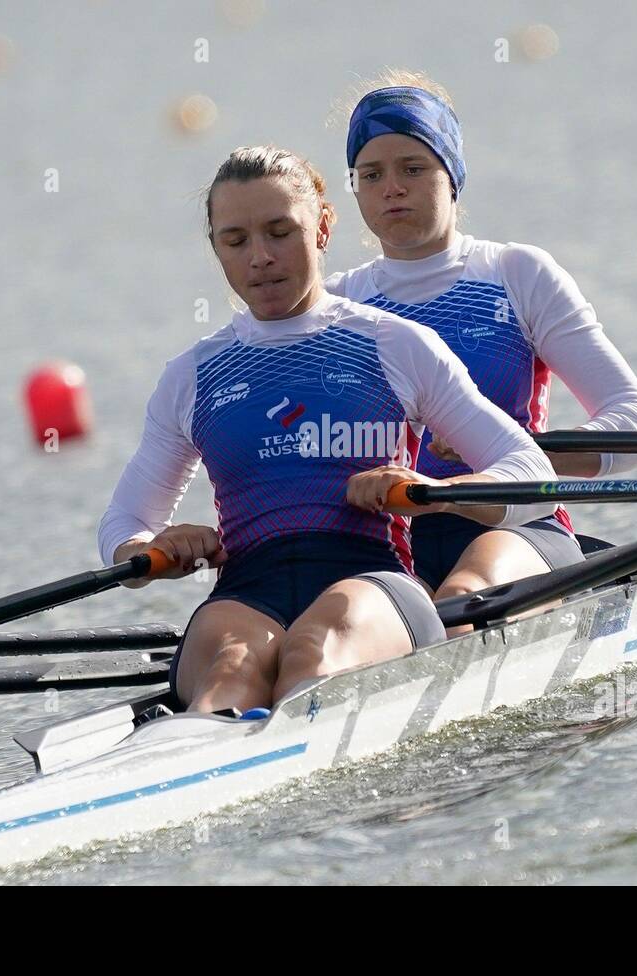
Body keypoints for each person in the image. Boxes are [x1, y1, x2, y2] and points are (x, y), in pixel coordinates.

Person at [98, 145, 558, 714]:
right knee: (230, 670)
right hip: (246, 587)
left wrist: (437, 494)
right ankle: (202, 755)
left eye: (280, 232)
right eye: (236, 241)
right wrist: (151, 548)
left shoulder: (396, 345)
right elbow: (125, 522)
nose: (261, 257)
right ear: (216, 249)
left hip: (371, 580)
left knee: (314, 651)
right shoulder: (191, 374)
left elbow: (531, 474)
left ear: (322, 226)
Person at [327, 71, 637, 625]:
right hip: (389, 540)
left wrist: (511, 450)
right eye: (372, 173)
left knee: (463, 594)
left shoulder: (515, 274)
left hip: (513, 524)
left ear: (452, 177)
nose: (393, 187)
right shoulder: (338, 302)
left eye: (413, 168)